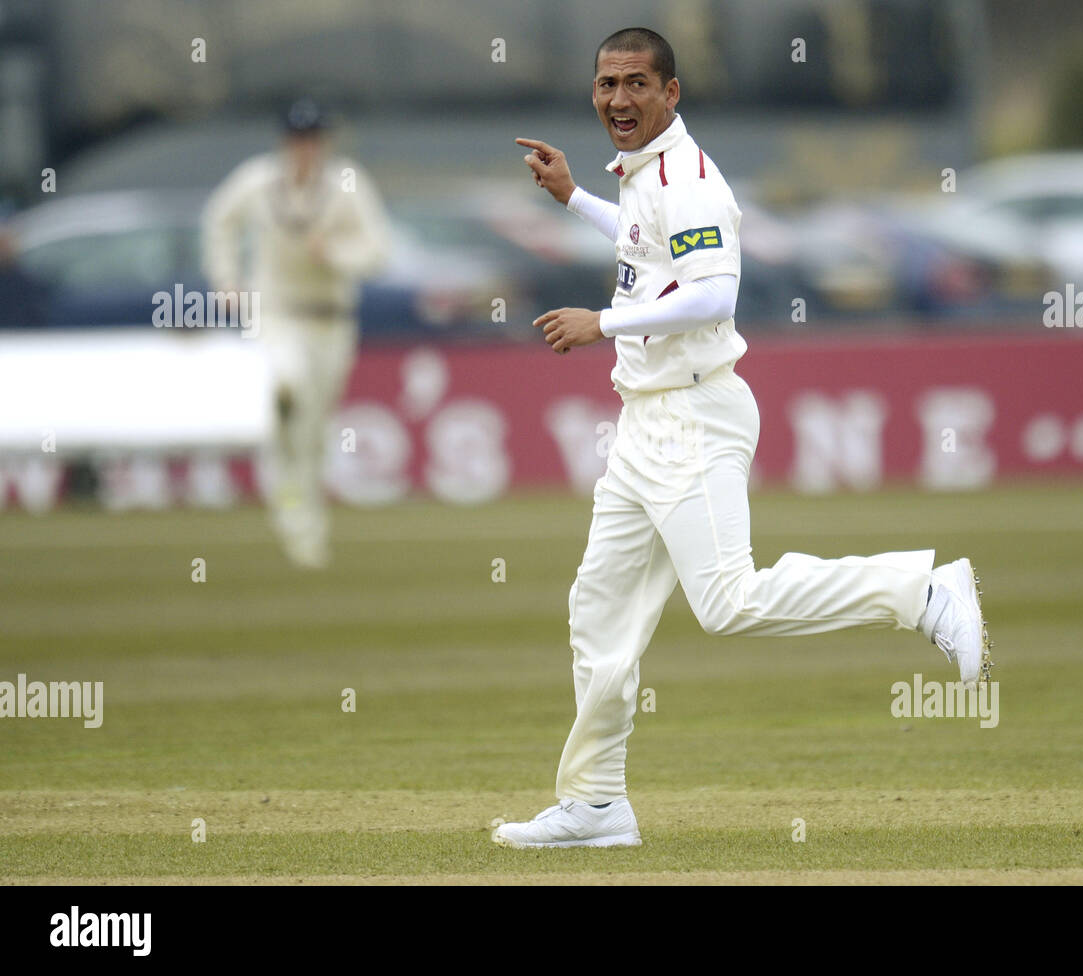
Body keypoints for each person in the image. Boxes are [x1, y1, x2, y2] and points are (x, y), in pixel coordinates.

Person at [494, 28, 992, 849]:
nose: (619, 98)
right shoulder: (644, 172)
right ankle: (596, 804)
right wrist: (574, 197)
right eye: (607, 83)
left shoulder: (688, 178)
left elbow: (713, 295)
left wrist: (601, 323)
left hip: (693, 415)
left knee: (729, 602)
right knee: (600, 608)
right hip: (647, 420)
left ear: (671, 93)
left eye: (637, 83)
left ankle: (923, 593)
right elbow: (645, 249)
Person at [202, 99, 390, 568]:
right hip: (276, 315)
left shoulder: (347, 183)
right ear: (285, 142)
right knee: (289, 383)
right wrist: (226, 280)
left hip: (331, 319)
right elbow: (219, 220)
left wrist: (335, 253)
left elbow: (377, 250)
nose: (306, 149)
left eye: (314, 139)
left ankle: (304, 518)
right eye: (298, 139)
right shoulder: (257, 179)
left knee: (313, 428)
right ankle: (291, 509)